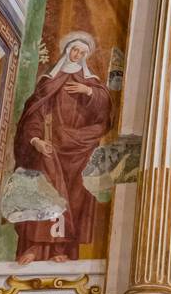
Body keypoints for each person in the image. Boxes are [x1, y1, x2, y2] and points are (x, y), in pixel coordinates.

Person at [12, 32, 112, 263]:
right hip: (49, 147)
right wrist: (36, 140)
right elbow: (33, 114)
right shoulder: (49, 81)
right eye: (74, 50)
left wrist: (87, 92)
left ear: (86, 56)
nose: (77, 54)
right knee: (43, 195)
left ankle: (61, 250)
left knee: (73, 200)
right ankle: (35, 247)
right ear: (67, 50)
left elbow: (104, 110)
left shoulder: (90, 83)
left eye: (82, 52)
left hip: (78, 151)